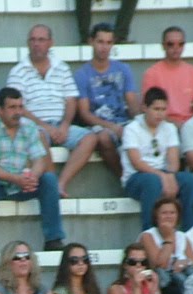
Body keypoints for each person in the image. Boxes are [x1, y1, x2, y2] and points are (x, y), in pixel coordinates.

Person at [0, 87, 66, 252]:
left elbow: (40, 160)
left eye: (20, 107)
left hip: (19, 183)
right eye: (12, 107)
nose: (18, 112)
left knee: (48, 178)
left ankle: (53, 239)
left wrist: (32, 178)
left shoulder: (29, 126)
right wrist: (16, 179)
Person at [7, 24, 98, 198]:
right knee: (39, 136)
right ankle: (51, 188)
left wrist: (65, 125)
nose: (36, 44)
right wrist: (45, 127)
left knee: (90, 138)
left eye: (41, 40)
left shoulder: (61, 67)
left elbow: (71, 99)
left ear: (50, 43)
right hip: (35, 126)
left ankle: (60, 184)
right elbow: (17, 107)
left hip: (60, 123)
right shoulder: (18, 71)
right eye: (33, 40)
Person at [120, 87, 193, 231]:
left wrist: (170, 175)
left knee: (189, 180)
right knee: (152, 182)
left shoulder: (169, 128)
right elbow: (136, 162)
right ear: (145, 107)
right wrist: (162, 176)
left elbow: (173, 160)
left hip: (163, 173)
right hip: (137, 178)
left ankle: (190, 232)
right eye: (156, 109)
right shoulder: (132, 129)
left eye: (163, 109)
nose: (160, 114)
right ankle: (150, 232)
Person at [73, 25, 138, 185]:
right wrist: (112, 127)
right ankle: (125, 178)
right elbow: (85, 113)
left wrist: (139, 124)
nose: (104, 47)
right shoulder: (82, 74)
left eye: (109, 42)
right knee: (103, 137)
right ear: (91, 42)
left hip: (123, 120)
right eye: (100, 42)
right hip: (98, 124)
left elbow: (132, 101)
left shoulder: (123, 69)